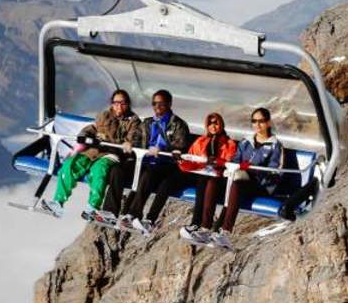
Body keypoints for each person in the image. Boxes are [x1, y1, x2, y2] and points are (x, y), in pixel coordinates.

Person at [37, 89, 142, 220]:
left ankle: (93, 207)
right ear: (112, 104)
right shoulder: (105, 115)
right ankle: (58, 202)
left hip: (111, 153)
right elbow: (92, 128)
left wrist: (127, 143)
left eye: (123, 103)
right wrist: (84, 137)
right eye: (116, 103)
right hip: (93, 151)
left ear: (128, 104)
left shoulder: (133, 121)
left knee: (99, 171)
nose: (119, 106)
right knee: (70, 165)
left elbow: (134, 137)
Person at [204, 107, 284, 248]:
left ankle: (225, 232)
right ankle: (205, 227)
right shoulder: (246, 142)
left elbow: (274, 170)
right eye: (254, 121)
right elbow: (235, 160)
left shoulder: (275, 145)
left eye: (261, 121)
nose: (257, 125)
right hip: (241, 178)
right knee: (214, 180)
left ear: (268, 123)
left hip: (261, 184)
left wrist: (252, 168)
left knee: (236, 185)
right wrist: (235, 166)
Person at [120, 89, 191, 233]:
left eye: (161, 103)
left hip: (167, 164)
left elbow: (181, 145)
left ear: (169, 104)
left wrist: (163, 149)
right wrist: (129, 143)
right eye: (154, 103)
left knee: (149, 173)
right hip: (148, 161)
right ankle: (121, 212)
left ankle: (135, 213)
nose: (157, 107)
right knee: (129, 169)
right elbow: (136, 138)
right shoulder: (147, 123)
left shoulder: (178, 124)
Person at [176, 112, 237, 244]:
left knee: (210, 181)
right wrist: (182, 161)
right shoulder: (201, 141)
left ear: (221, 124)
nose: (213, 126)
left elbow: (229, 161)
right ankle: (196, 223)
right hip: (203, 174)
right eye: (210, 123)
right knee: (202, 180)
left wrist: (216, 162)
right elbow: (191, 161)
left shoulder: (228, 143)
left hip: (219, 177)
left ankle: (205, 225)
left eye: (216, 123)